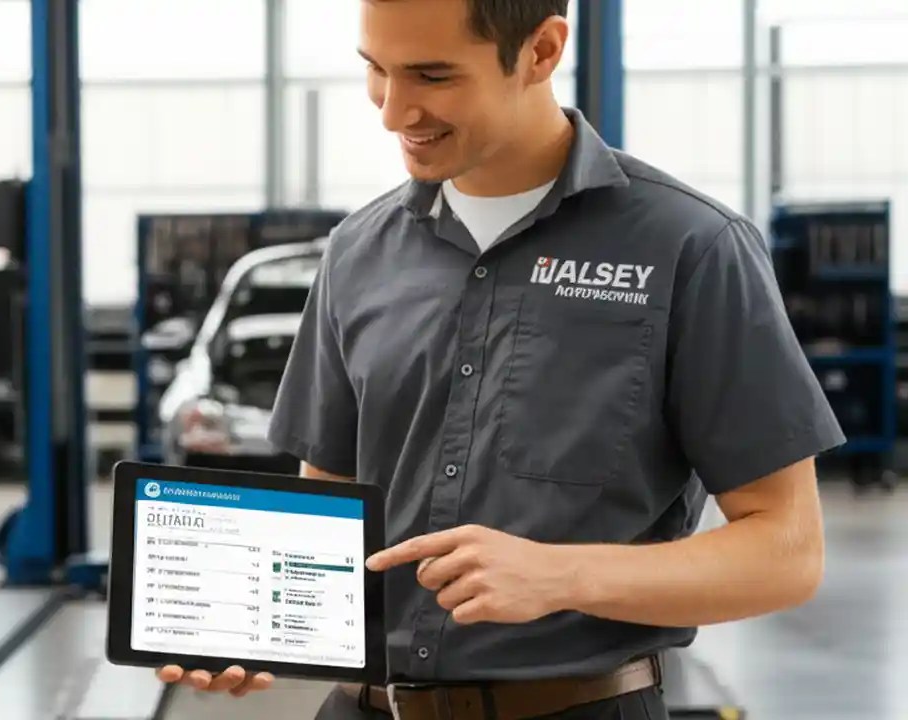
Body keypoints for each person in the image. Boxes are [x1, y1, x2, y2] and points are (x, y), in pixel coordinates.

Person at [158, 1, 843, 718]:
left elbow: (787, 551)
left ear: (541, 52)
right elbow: (325, 513)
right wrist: (248, 622)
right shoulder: (357, 252)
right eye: (375, 70)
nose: (394, 112)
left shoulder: (690, 250)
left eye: (432, 75)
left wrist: (563, 575)